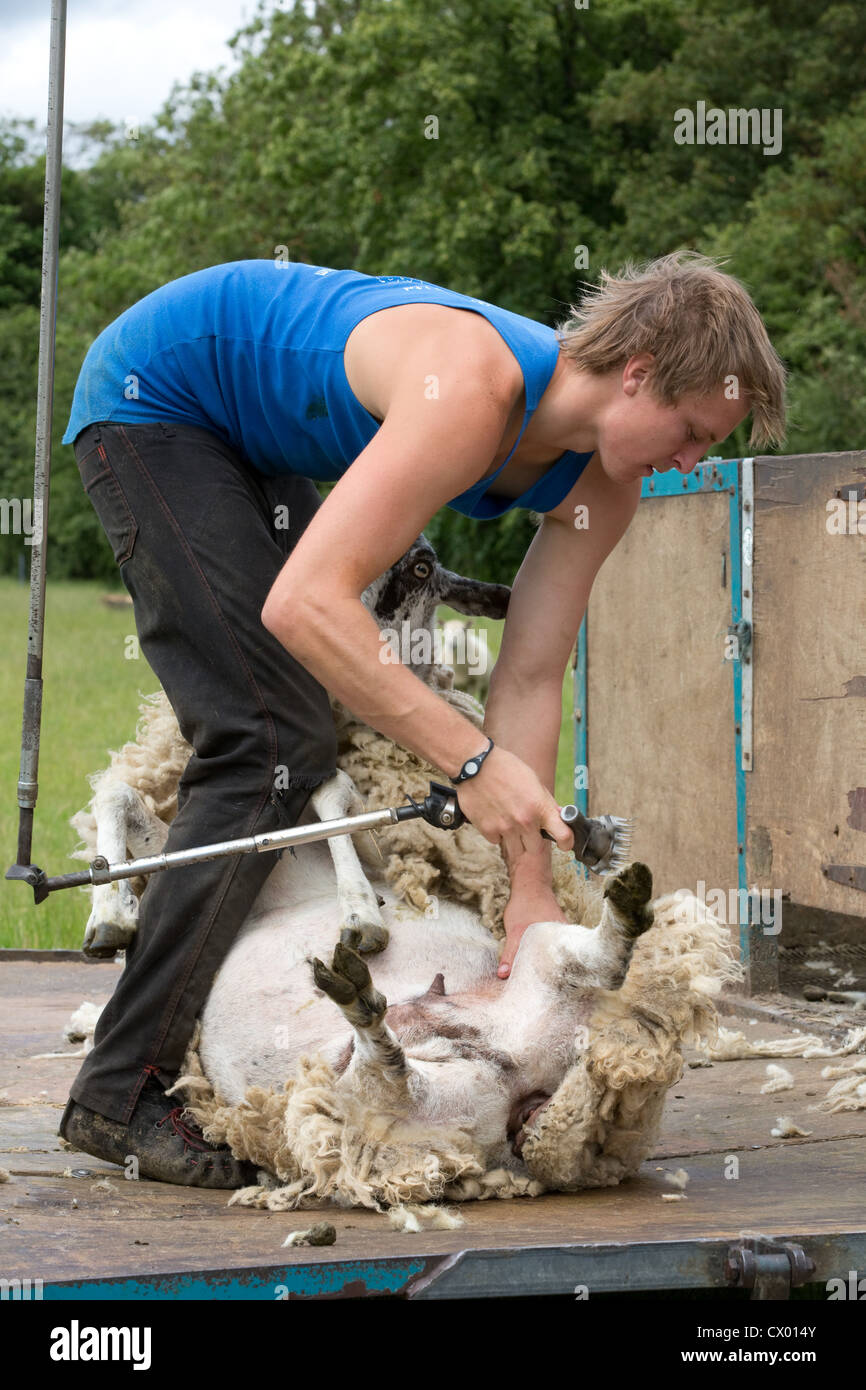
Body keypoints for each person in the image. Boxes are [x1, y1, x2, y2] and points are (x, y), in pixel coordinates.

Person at [58, 249, 786, 1185]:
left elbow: (527, 676)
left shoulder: (607, 486)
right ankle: (119, 1093)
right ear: (638, 372)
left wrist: (528, 888)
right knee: (269, 740)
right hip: (155, 395)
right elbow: (306, 606)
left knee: (294, 726)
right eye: (690, 430)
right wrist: (473, 766)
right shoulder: (471, 392)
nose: (692, 461)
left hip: (248, 434)